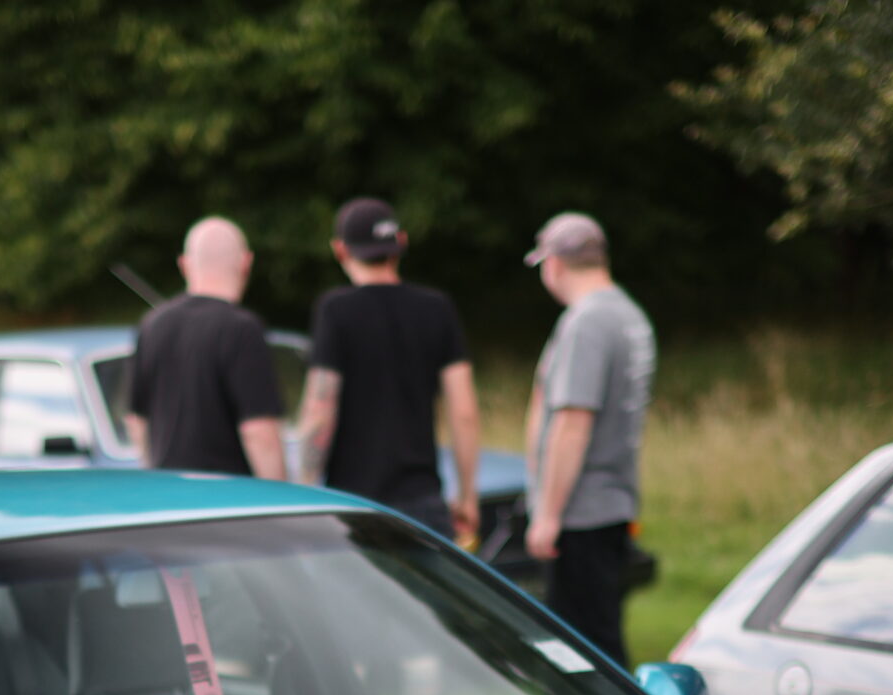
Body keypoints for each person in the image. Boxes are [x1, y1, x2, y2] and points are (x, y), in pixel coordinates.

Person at [295, 197, 480, 543]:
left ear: (340, 250)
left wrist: (305, 494)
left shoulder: (336, 310)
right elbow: (464, 411)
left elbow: (320, 410)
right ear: (401, 244)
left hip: (353, 504)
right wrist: (468, 496)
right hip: (423, 501)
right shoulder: (437, 308)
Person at [523, 212, 655, 665]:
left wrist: (547, 514)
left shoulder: (587, 323)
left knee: (584, 655)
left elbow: (573, 421)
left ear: (554, 264)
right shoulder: (630, 315)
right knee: (602, 634)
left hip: (580, 513)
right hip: (615, 504)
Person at [126, 218, 288, 480]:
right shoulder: (243, 329)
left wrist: (154, 476)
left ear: (184, 264)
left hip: (170, 499)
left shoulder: (152, 324)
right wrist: (282, 503)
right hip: (228, 503)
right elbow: (259, 433)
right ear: (246, 262)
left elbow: (136, 420)